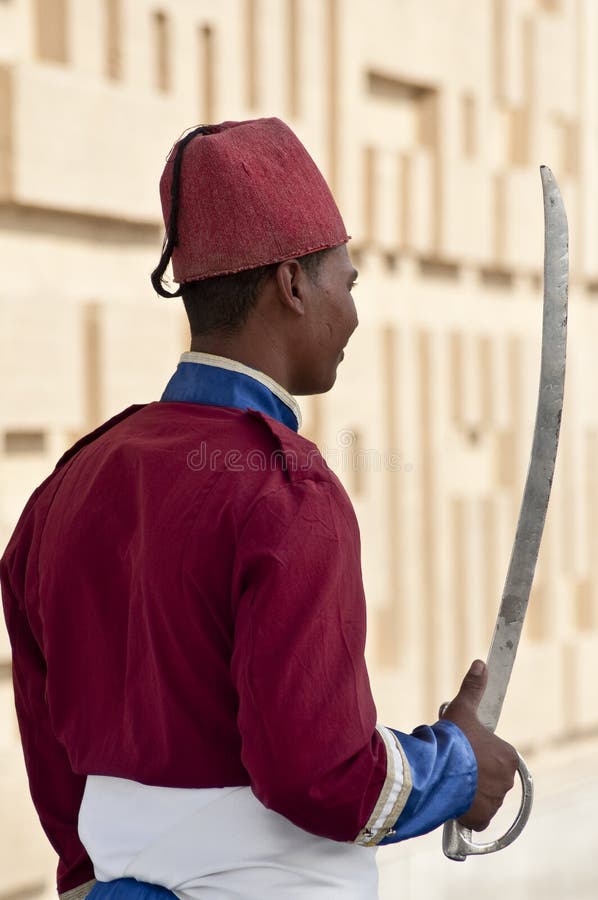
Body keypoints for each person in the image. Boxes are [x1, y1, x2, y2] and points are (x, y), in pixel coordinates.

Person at [0, 118, 518, 900]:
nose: (354, 313)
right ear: (291, 284)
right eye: (349, 281)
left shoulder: (64, 490)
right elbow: (318, 772)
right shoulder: (288, 493)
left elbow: (58, 778)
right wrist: (458, 766)